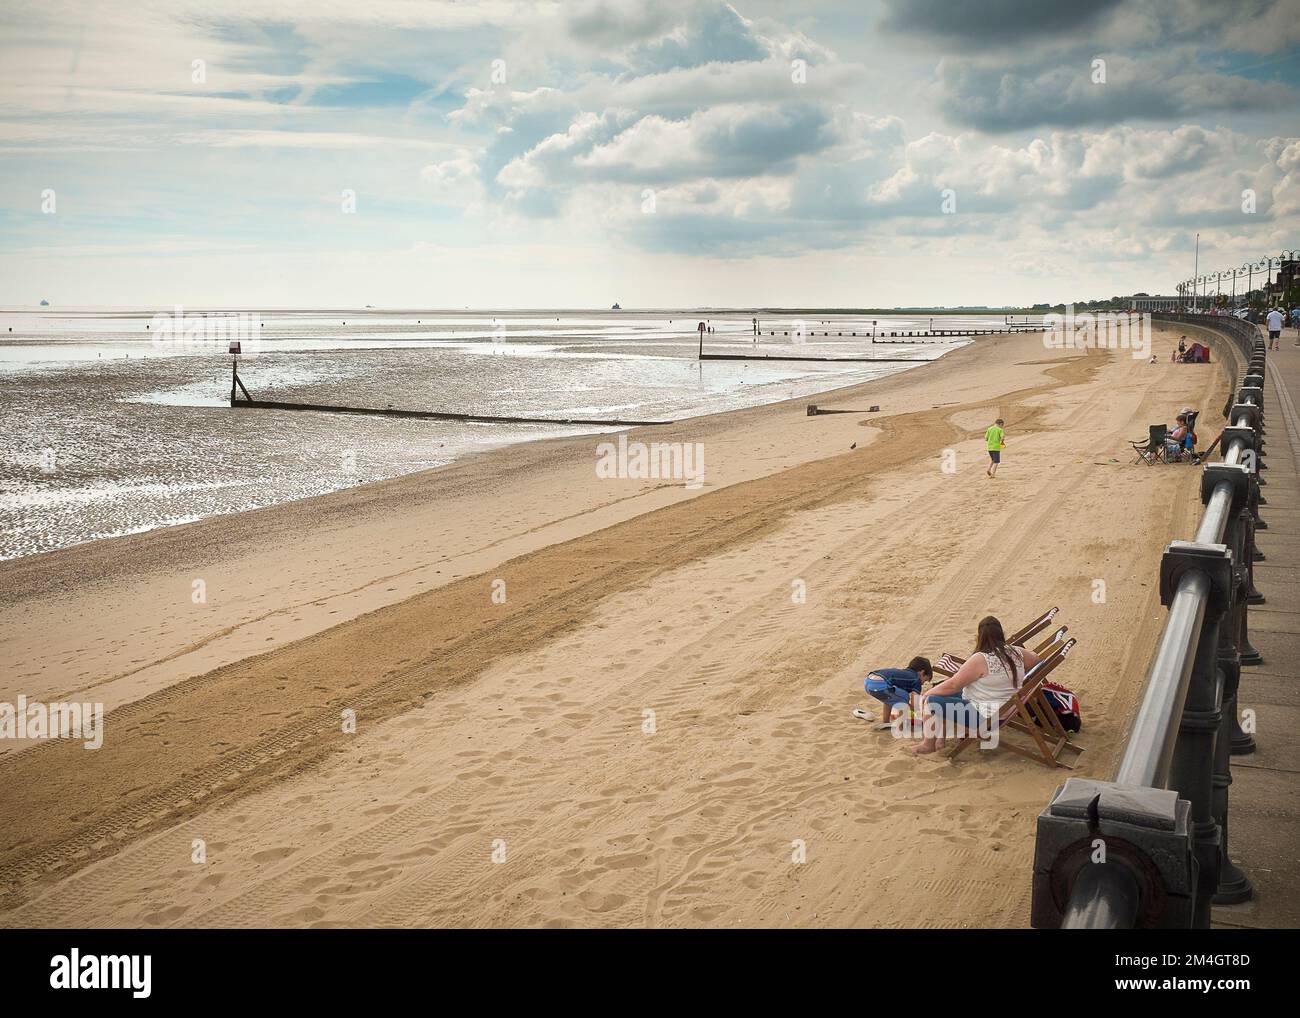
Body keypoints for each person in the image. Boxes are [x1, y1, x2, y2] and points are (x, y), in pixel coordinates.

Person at [911, 617, 1040, 754]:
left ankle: (928, 745)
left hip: (986, 718)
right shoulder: (1016, 652)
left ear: (980, 637)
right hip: (1006, 710)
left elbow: (953, 684)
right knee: (942, 693)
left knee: (932, 701)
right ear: (1001, 633)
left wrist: (926, 694)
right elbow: (1035, 658)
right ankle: (940, 740)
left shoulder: (981, 658)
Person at [864, 657, 933, 724]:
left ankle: (886, 721)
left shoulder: (904, 674)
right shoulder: (916, 679)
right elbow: (914, 702)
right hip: (880, 684)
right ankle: (901, 724)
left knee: (890, 697)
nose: (923, 683)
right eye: (925, 680)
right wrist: (916, 717)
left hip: (868, 681)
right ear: (922, 672)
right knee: (905, 696)